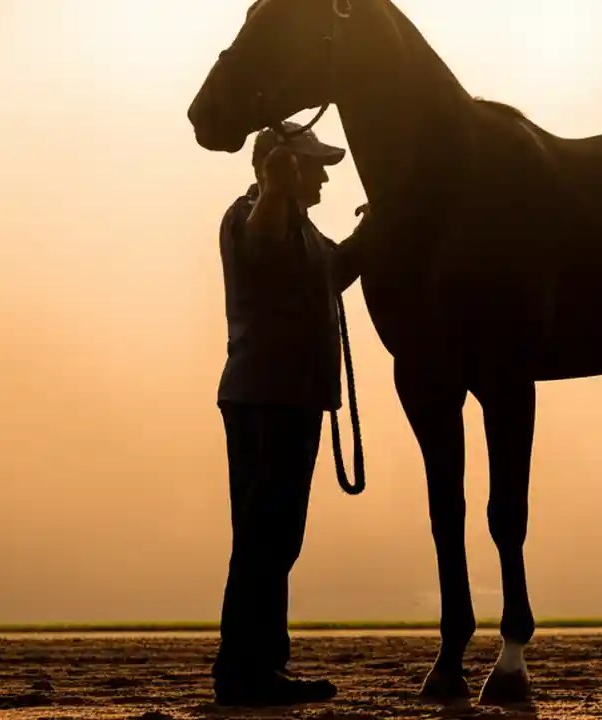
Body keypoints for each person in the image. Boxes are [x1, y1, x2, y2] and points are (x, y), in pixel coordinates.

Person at [211, 121, 364, 706]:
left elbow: (337, 271)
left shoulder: (302, 230)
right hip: (267, 397)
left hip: (288, 396)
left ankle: (260, 664)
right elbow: (264, 242)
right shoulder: (258, 216)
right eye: (314, 165)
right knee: (263, 536)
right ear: (284, 168)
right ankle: (244, 670)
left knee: (274, 537)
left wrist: (377, 227)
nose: (325, 174)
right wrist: (275, 187)